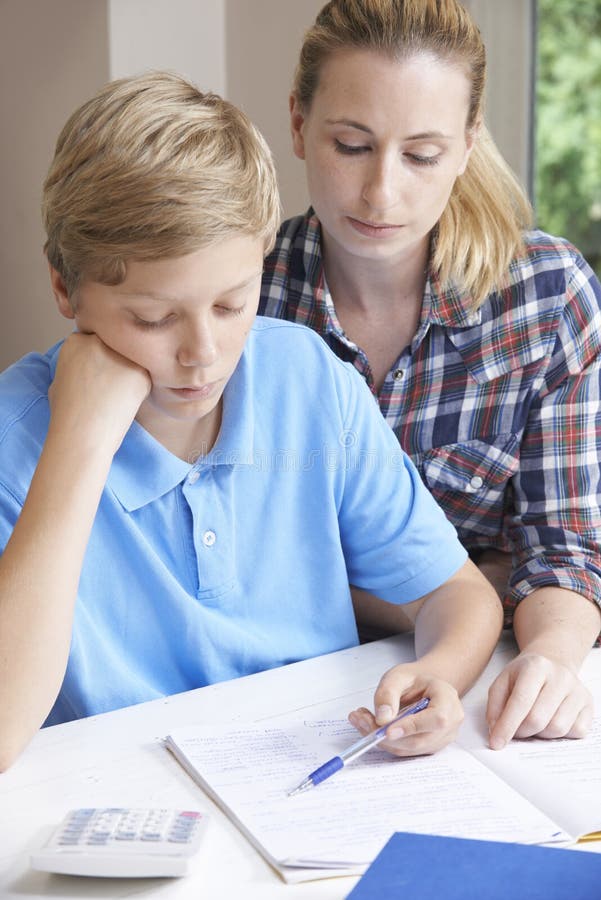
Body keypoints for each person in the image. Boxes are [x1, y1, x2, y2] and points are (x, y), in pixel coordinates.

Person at [0, 71, 502, 770]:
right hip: (120, 806)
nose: (201, 354)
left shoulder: (308, 380)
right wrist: (79, 444)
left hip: (314, 777)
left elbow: (455, 593)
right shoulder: (13, 439)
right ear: (65, 289)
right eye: (152, 318)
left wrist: (441, 672)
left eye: (232, 304)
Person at [259, 0, 601, 750]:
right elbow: (244, 573)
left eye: (420, 155)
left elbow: (563, 546)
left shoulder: (544, 298)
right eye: (350, 144)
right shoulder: (242, 299)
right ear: (297, 124)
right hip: (282, 689)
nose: (380, 192)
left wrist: (548, 656)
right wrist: (475, 582)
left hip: (475, 688)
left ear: (468, 143)